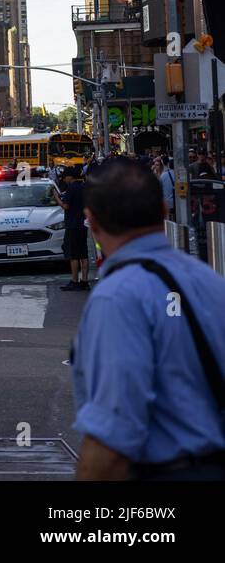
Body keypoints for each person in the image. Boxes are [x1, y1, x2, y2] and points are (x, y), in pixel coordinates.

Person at [71, 158, 225, 480]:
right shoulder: (210, 281)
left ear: (92, 222)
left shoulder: (117, 297)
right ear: (165, 211)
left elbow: (110, 444)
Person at [58, 169, 90, 291]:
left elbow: (66, 206)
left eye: (65, 177)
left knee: (73, 255)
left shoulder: (71, 188)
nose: (64, 180)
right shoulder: (84, 186)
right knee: (83, 253)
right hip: (83, 223)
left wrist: (57, 198)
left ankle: (74, 280)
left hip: (72, 224)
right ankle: (85, 281)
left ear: (70, 177)